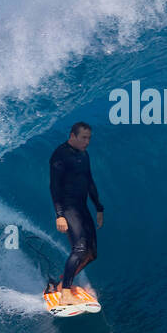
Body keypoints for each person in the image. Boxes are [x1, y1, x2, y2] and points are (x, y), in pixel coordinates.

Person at [48, 121, 104, 304]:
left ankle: (61, 284)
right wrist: (60, 215)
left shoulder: (84, 155)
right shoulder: (60, 155)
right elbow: (54, 186)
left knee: (91, 254)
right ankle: (65, 294)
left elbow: (89, 182)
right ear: (72, 136)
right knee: (79, 249)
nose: (87, 142)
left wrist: (99, 207)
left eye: (89, 138)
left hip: (82, 207)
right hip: (68, 208)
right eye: (83, 138)